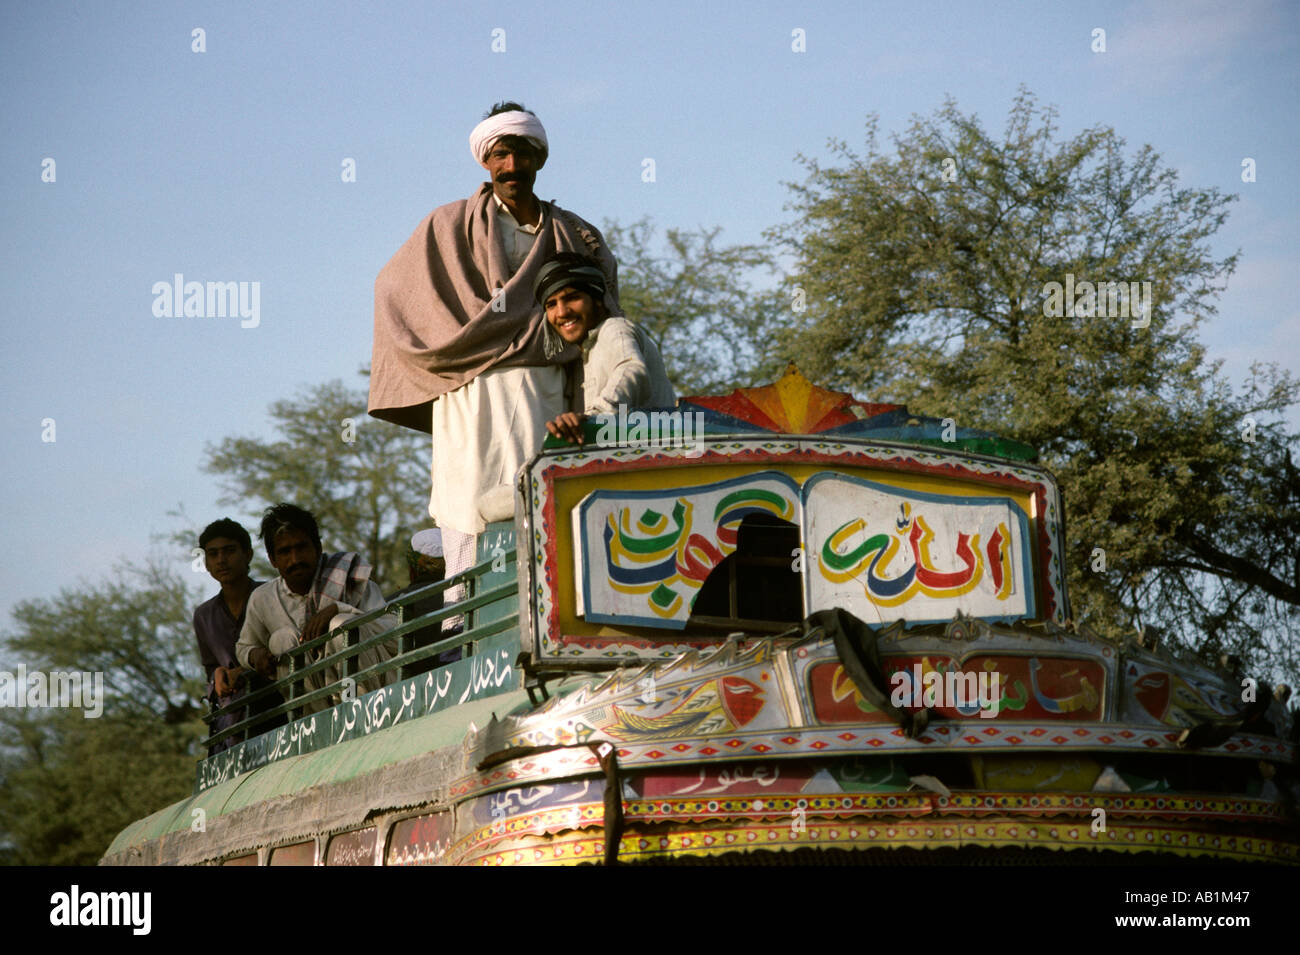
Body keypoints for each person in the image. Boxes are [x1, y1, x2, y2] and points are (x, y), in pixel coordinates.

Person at [368, 101, 619, 596]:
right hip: (470, 395)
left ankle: (547, 616)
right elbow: (391, 289)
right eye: (501, 154)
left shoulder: (573, 231)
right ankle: (461, 641)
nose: (511, 166)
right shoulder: (448, 225)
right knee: (467, 503)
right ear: (485, 160)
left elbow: (602, 307)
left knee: (542, 501)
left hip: (547, 389)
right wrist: (461, 340)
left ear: (539, 159)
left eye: (522, 154)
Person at [235, 503, 399, 714]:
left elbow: (394, 632)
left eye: (301, 547)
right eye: (285, 552)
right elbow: (243, 647)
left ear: (318, 548)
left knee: (342, 626)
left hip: (373, 698)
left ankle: (360, 710)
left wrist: (338, 610)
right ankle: (315, 724)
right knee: (281, 639)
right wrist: (254, 655)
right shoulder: (262, 598)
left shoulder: (349, 579)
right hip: (314, 712)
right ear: (273, 559)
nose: (295, 559)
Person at [535, 252, 675, 445]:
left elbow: (632, 369)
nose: (562, 312)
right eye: (551, 304)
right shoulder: (589, 352)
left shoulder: (614, 328)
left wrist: (593, 418)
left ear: (597, 299)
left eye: (572, 298)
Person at [193, 518, 284, 751]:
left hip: (275, 705)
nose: (221, 560)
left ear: (248, 554)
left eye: (229, 551)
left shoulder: (272, 594)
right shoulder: (204, 615)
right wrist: (218, 678)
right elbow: (211, 669)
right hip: (230, 720)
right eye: (213, 554)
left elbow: (286, 647)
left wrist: (243, 672)